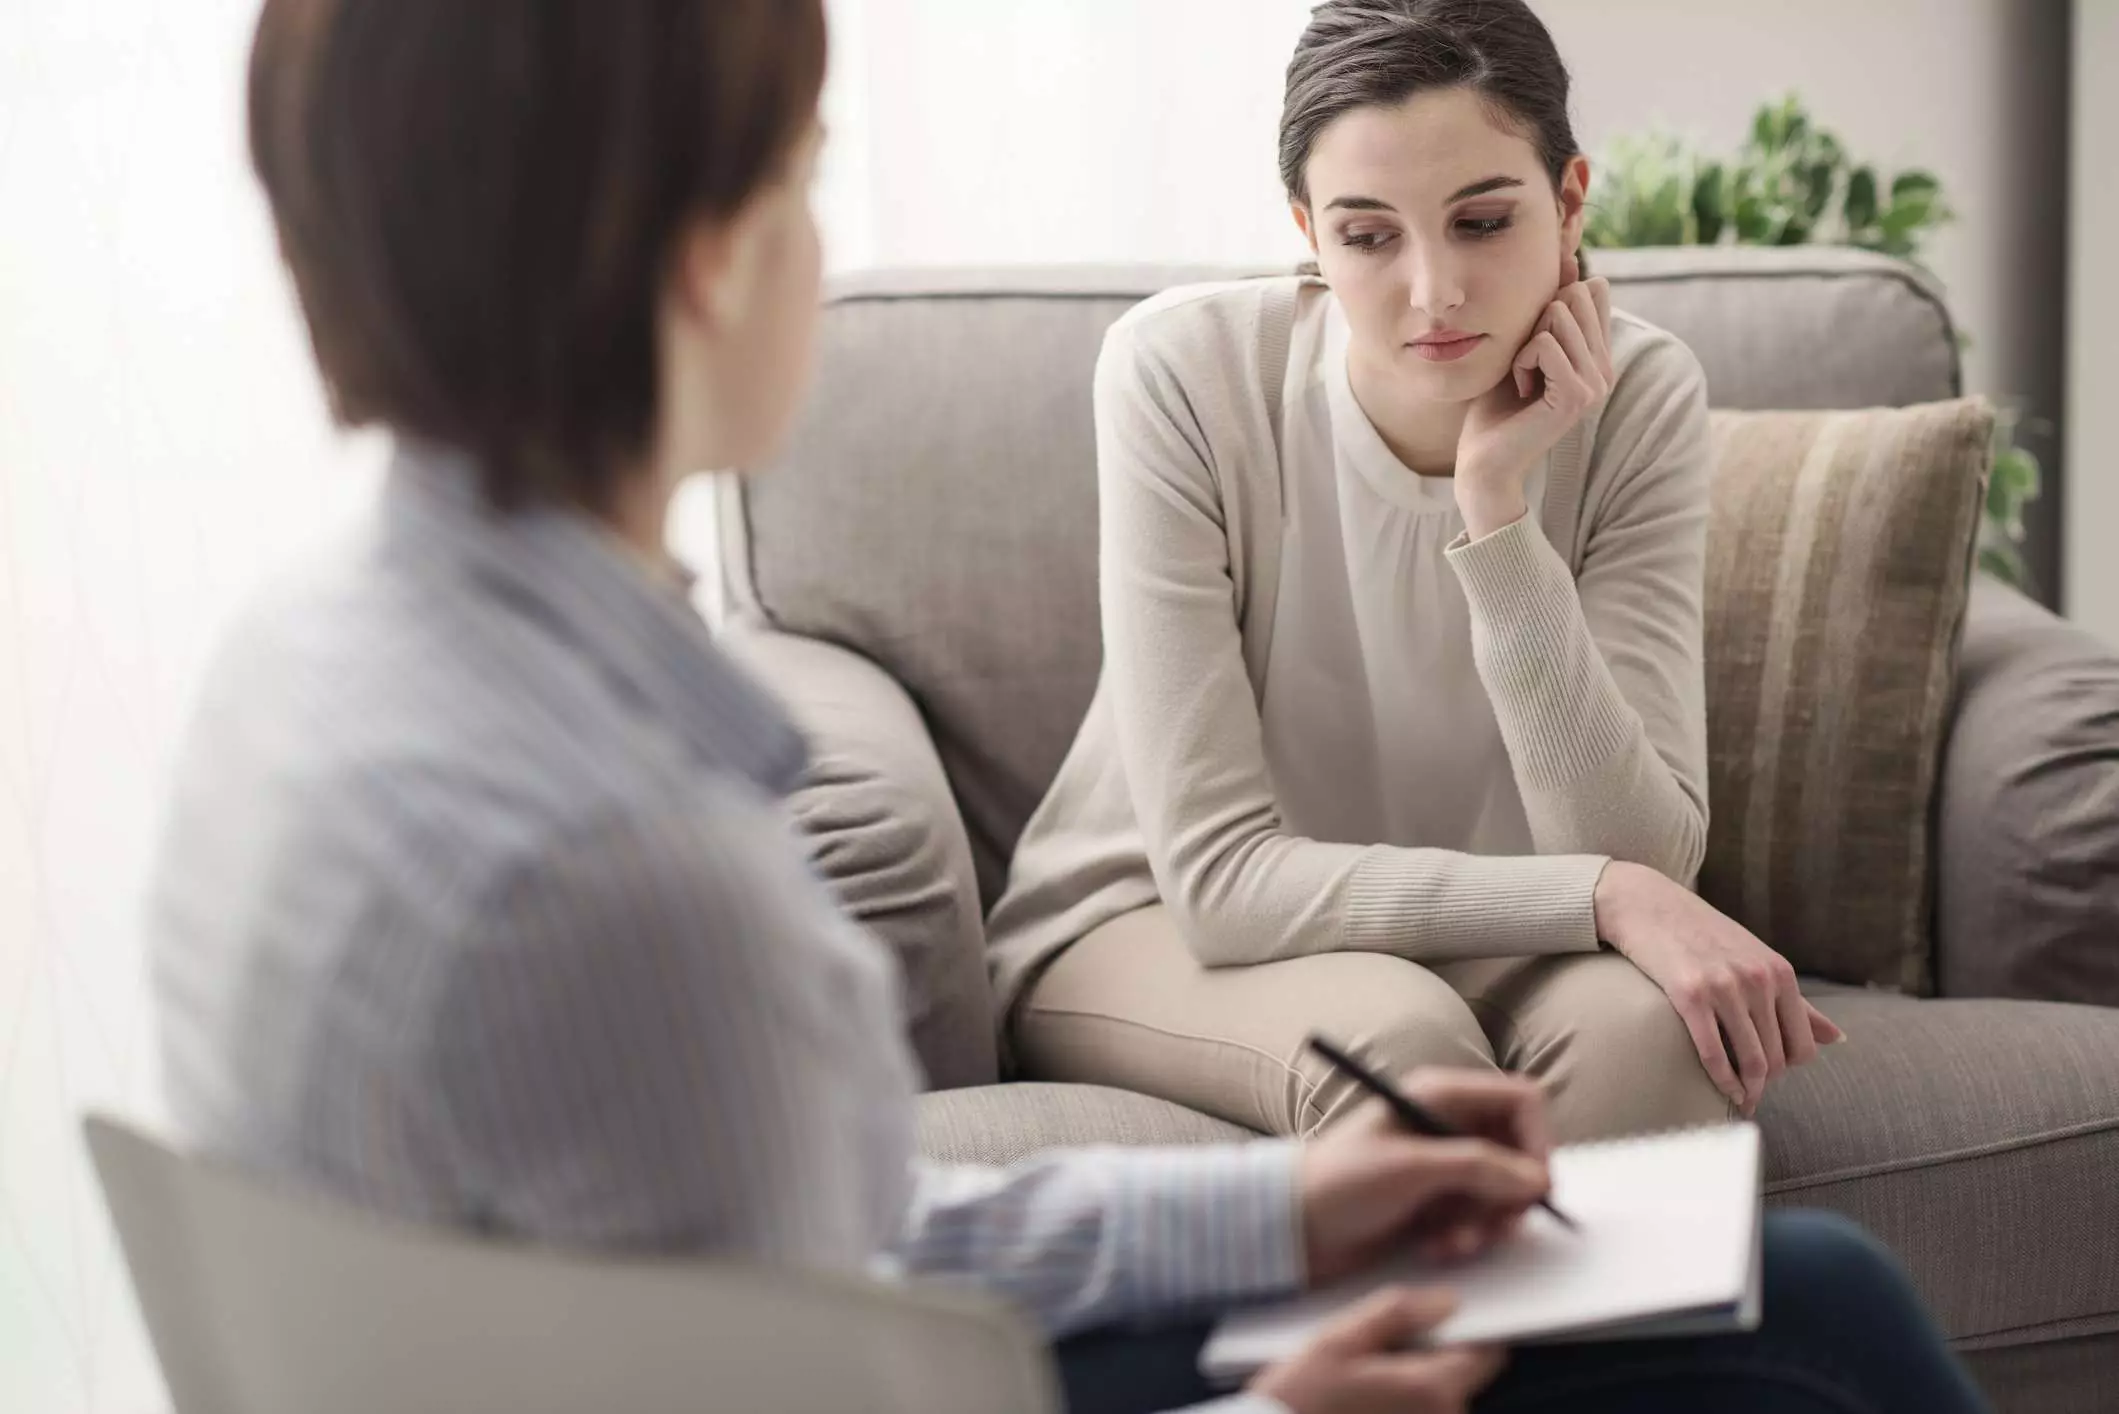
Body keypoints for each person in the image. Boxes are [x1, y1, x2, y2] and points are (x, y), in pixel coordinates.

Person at [145, 2, 1991, 1412]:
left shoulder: (299, 684)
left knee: (1767, 1280)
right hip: (1162, 994)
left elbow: (832, 1244)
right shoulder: (632, 874)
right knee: (1823, 1307)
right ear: (707, 262)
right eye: (802, 173)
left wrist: (1280, 1216)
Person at [987, 0, 1840, 1144]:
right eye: (1368, 234)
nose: (1432, 290)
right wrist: (1594, 897)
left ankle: (1609, 1331)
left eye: (1481, 221)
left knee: (1660, 1042)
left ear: (1569, 198)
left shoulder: (1641, 396)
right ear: (1307, 228)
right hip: (1154, 923)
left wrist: (1495, 513)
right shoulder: (1180, 373)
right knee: (1401, 1041)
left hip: (1500, 934)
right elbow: (1222, 880)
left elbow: (1641, 852)